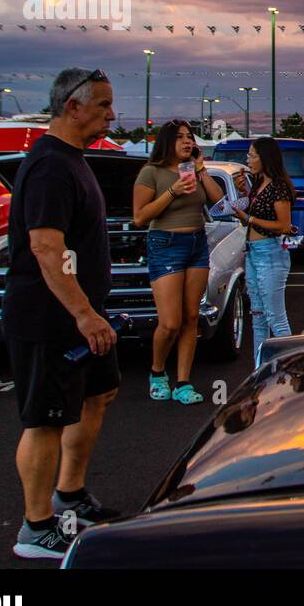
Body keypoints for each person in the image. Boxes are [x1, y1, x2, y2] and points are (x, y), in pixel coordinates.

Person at [2, 67, 121, 560]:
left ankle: (70, 494)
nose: (112, 116)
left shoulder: (74, 160)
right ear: (72, 107)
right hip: (49, 318)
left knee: (100, 393)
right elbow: (46, 249)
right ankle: (36, 528)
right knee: (45, 421)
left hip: (79, 316)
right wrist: (84, 315)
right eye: (103, 106)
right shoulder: (50, 165)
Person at [133, 120, 226, 404]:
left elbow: (218, 201)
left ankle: (183, 382)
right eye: (180, 138)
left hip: (196, 244)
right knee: (170, 322)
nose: (187, 142)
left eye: (190, 137)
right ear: (167, 142)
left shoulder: (194, 171)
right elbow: (140, 217)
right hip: (165, 244)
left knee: (190, 318)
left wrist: (200, 170)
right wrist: (172, 191)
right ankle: (157, 371)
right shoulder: (151, 173)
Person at [231, 137, 297, 368]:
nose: (247, 160)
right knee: (257, 316)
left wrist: (248, 218)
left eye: (252, 155)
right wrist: (244, 192)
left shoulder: (278, 187)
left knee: (276, 318)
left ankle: (288, 368)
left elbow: (283, 225)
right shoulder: (259, 184)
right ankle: (260, 371)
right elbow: (258, 210)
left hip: (270, 253)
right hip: (253, 253)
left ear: (265, 158)